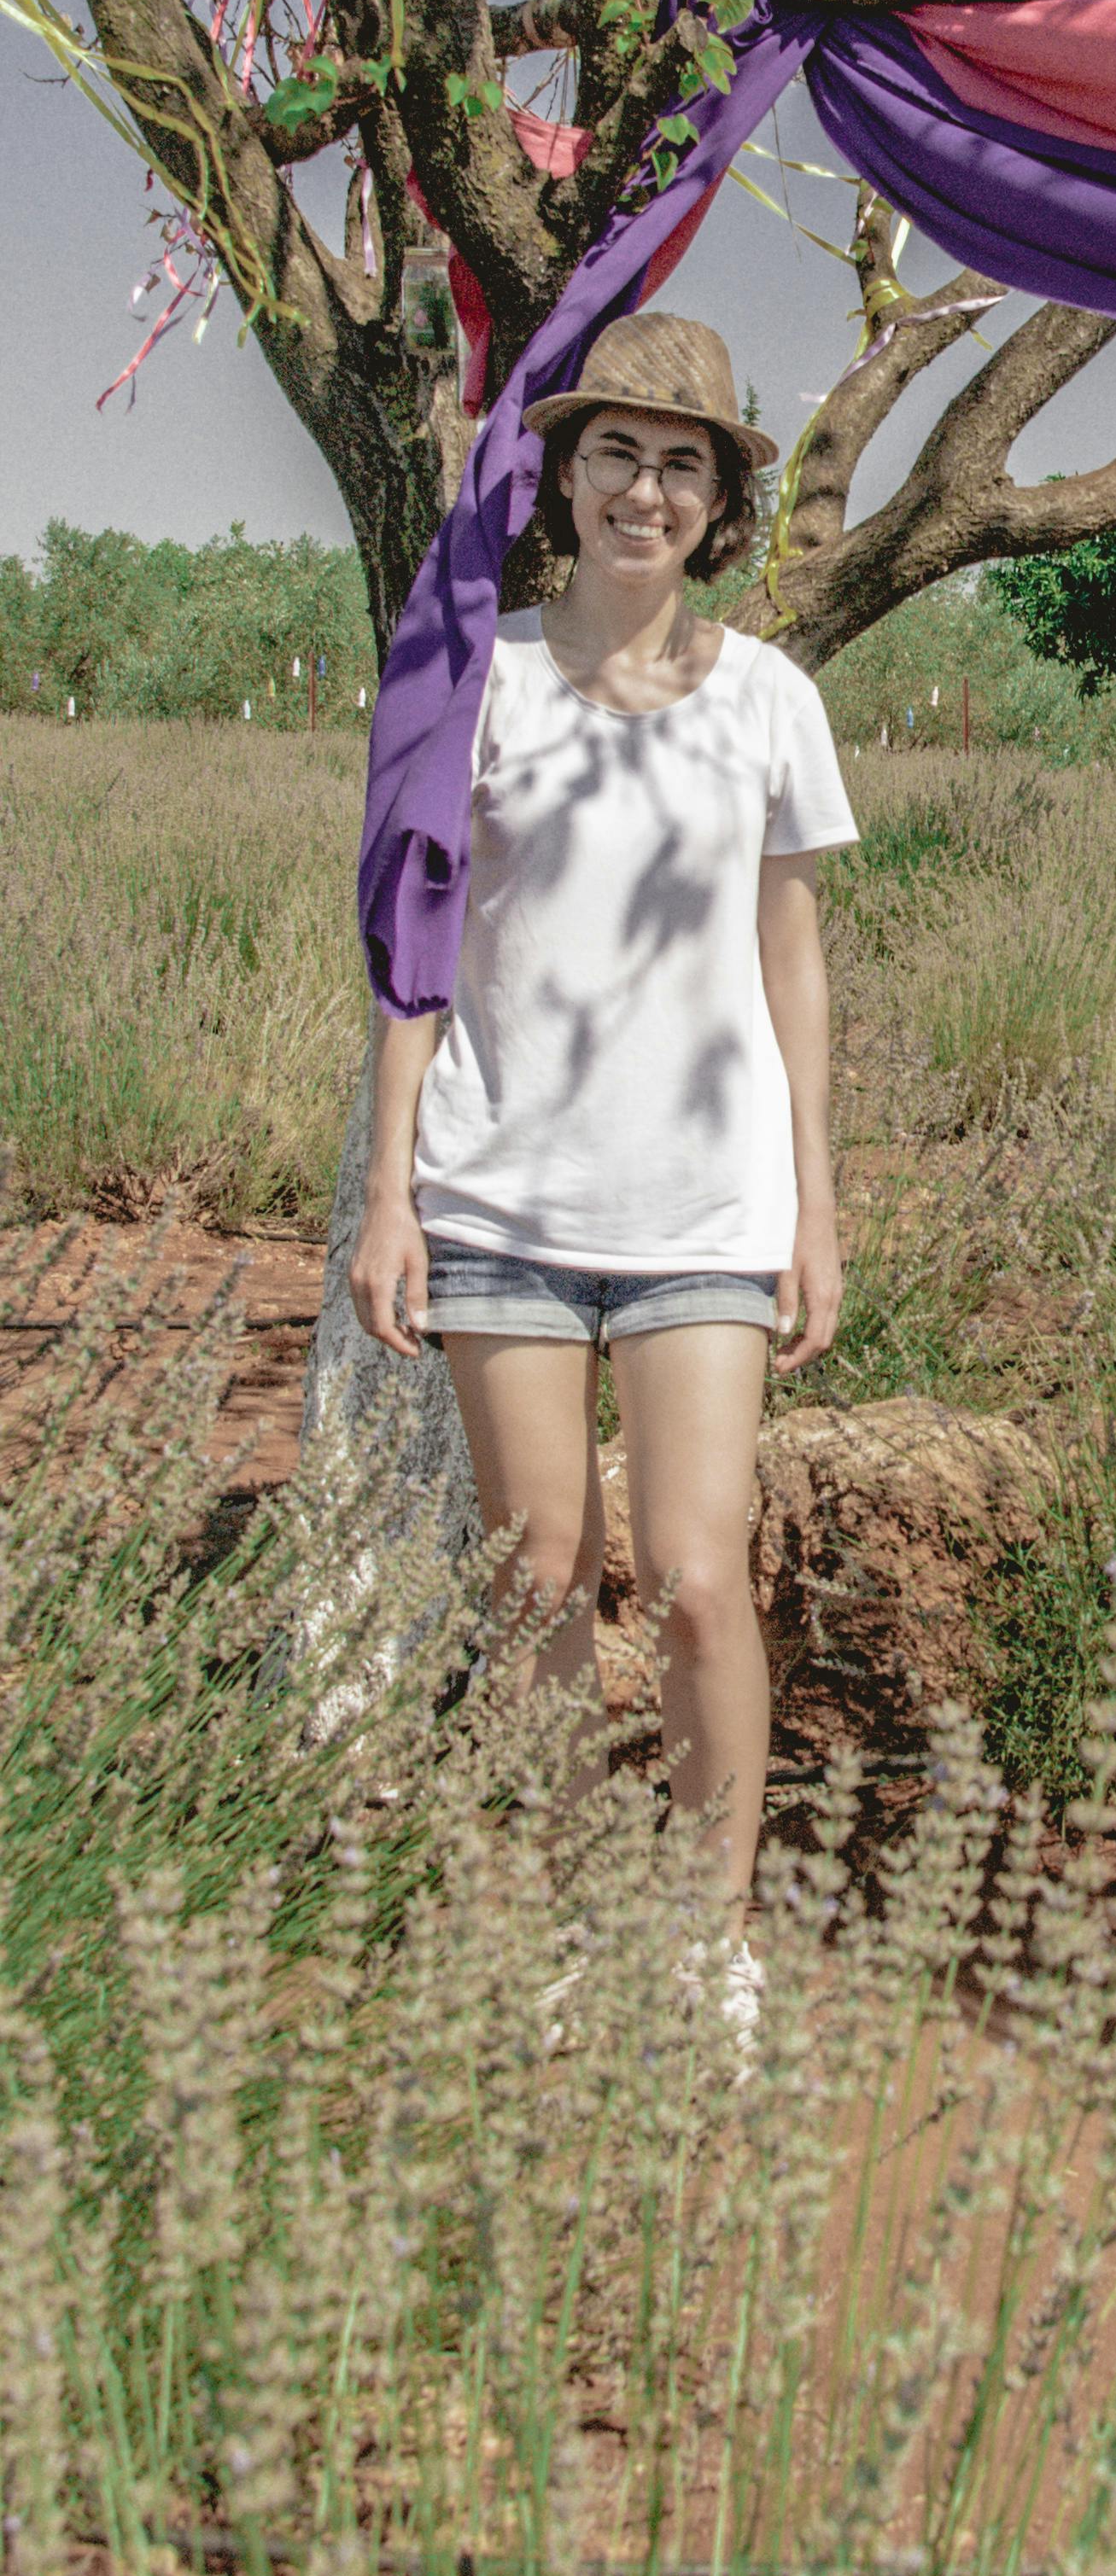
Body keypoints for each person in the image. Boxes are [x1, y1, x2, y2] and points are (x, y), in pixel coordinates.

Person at [348, 318, 858, 2020]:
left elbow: (792, 961)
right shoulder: (474, 680)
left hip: (706, 1209)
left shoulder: (771, 700)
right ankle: (579, 1920)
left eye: (683, 460)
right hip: (500, 1198)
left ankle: (708, 1944)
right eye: (617, 453)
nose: (648, 487)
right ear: (564, 478)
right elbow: (418, 947)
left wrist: (817, 1202)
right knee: (539, 1578)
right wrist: (386, 1189)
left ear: (719, 504)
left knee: (705, 1581)